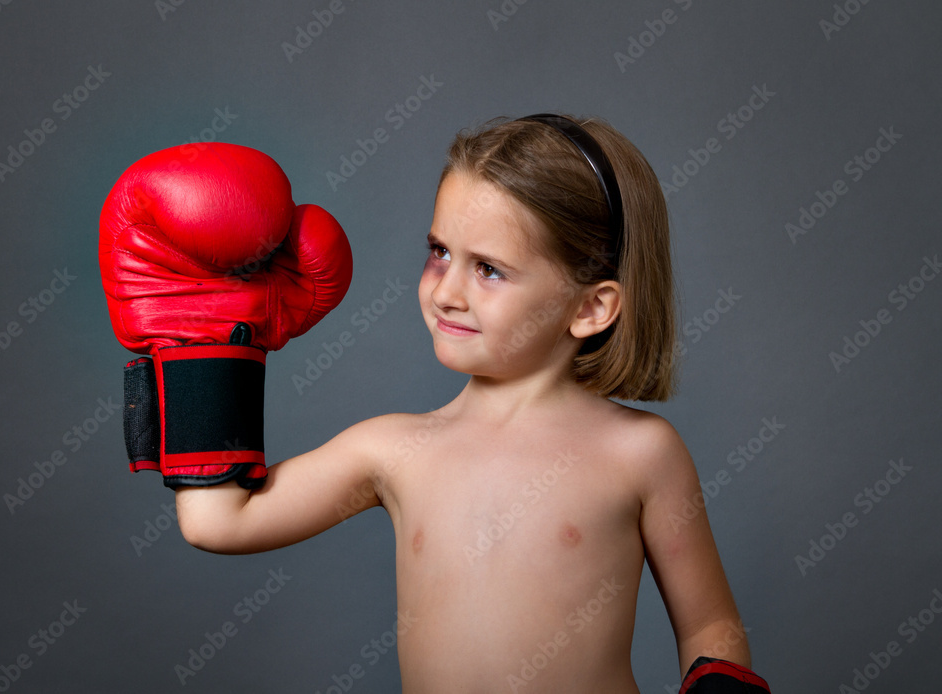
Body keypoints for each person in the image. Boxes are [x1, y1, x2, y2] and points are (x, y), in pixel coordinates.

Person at [100, 117, 770, 693]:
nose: (447, 291)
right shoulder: (392, 449)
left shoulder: (640, 452)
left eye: (488, 269)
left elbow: (711, 624)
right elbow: (219, 523)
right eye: (439, 253)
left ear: (591, 307)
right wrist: (205, 338)